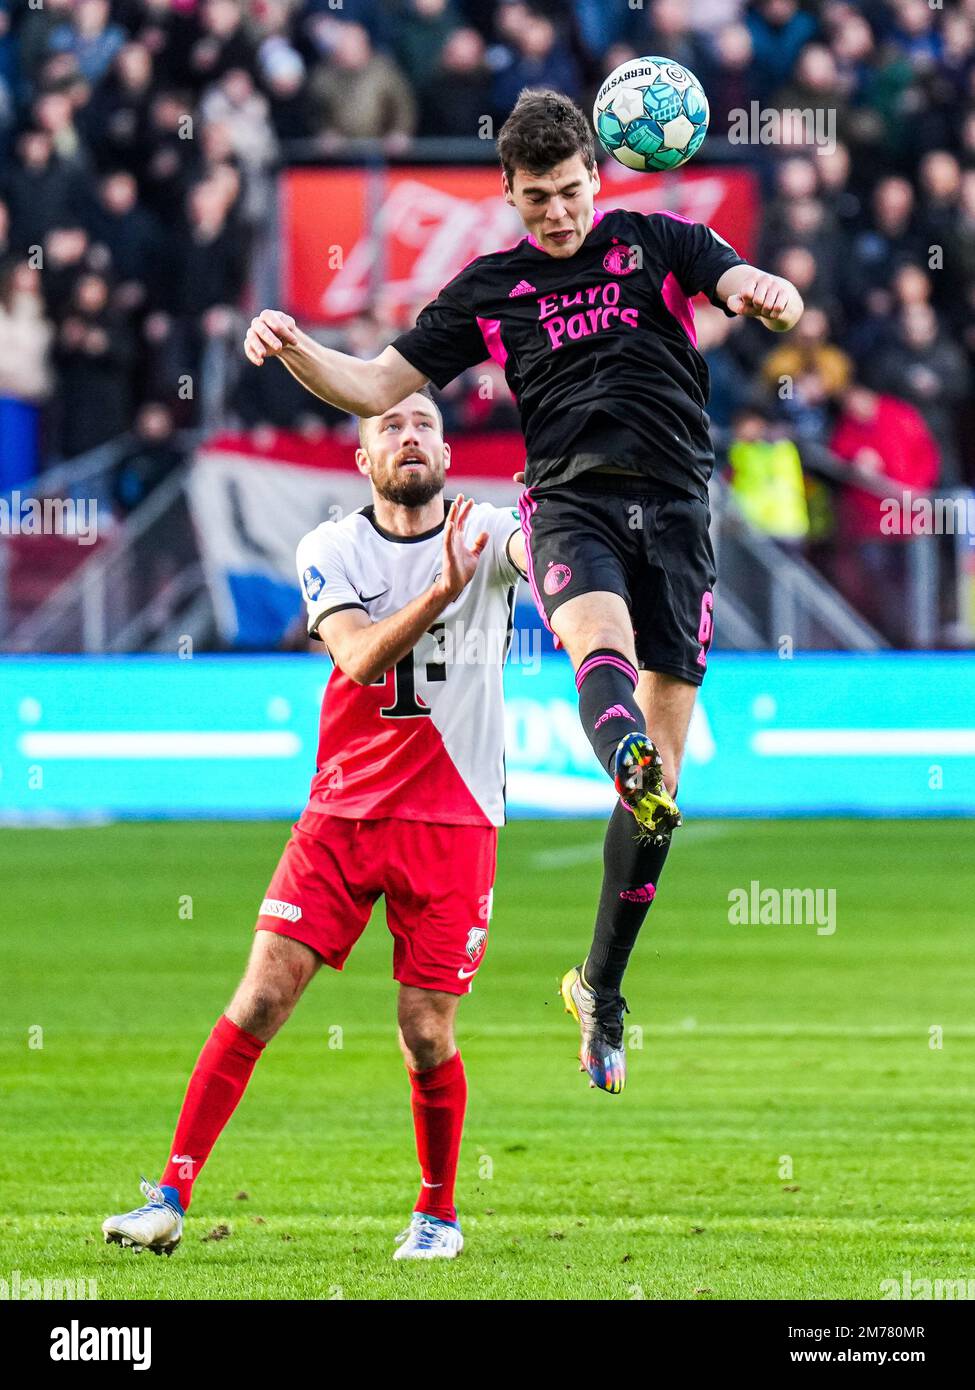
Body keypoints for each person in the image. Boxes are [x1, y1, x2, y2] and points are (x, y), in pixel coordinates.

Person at [240, 86, 803, 1095]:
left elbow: (748, 282)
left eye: (571, 189)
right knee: (601, 656)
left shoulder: (658, 241)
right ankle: (621, 748)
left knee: (662, 802)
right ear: (509, 193)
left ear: (599, 173)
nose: (557, 212)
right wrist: (292, 350)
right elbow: (375, 385)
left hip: (678, 516)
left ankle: (601, 985)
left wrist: (768, 292)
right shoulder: (489, 290)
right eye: (537, 196)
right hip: (571, 506)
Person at [102, 389, 529, 1261]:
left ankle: (438, 1218)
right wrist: (442, 590)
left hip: (454, 824)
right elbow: (361, 654)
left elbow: (548, 552)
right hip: (339, 816)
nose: (410, 438)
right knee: (260, 997)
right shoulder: (330, 546)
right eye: (390, 428)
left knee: (424, 1031)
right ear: (363, 460)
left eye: (425, 426)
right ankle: (169, 1197)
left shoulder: (490, 531)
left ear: (447, 453)